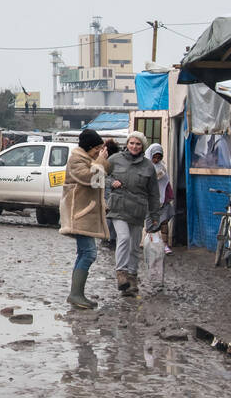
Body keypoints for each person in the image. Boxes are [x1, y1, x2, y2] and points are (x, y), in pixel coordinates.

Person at [106, 131, 161, 297]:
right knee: (123, 238)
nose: (134, 146)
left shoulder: (148, 166)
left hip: (138, 210)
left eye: (138, 144)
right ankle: (121, 273)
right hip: (118, 208)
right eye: (132, 143)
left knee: (135, 246)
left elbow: (153, 193)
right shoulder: (114, 160)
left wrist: (155, 216)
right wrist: (110, 182)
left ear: (142, 146)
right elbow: (99, 175)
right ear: (127, 143)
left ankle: (132, 278)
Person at [60, 128, 110, 309]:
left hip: (85, 213)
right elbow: (92, 178)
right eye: (96, 147)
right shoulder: (76, 159)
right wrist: (100, 161)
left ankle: (77, 294)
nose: (98, 151)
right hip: (79, 214)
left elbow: (103, 173)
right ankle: (75, 294)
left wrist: (104, 157)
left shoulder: (88, 159)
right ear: (88, 146)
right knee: (89, 253)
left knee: (83, 253)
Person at [146, 142, 174, 255]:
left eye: (159, 157)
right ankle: (151, 244)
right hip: (150, 200)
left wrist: (168, 196)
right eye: (154, 157)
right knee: (151, 224)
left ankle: (165, 245)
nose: (156, 160)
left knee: (164, 222)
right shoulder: (145, 166)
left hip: (163, 200)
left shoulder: (162, 167)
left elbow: (166, 183)